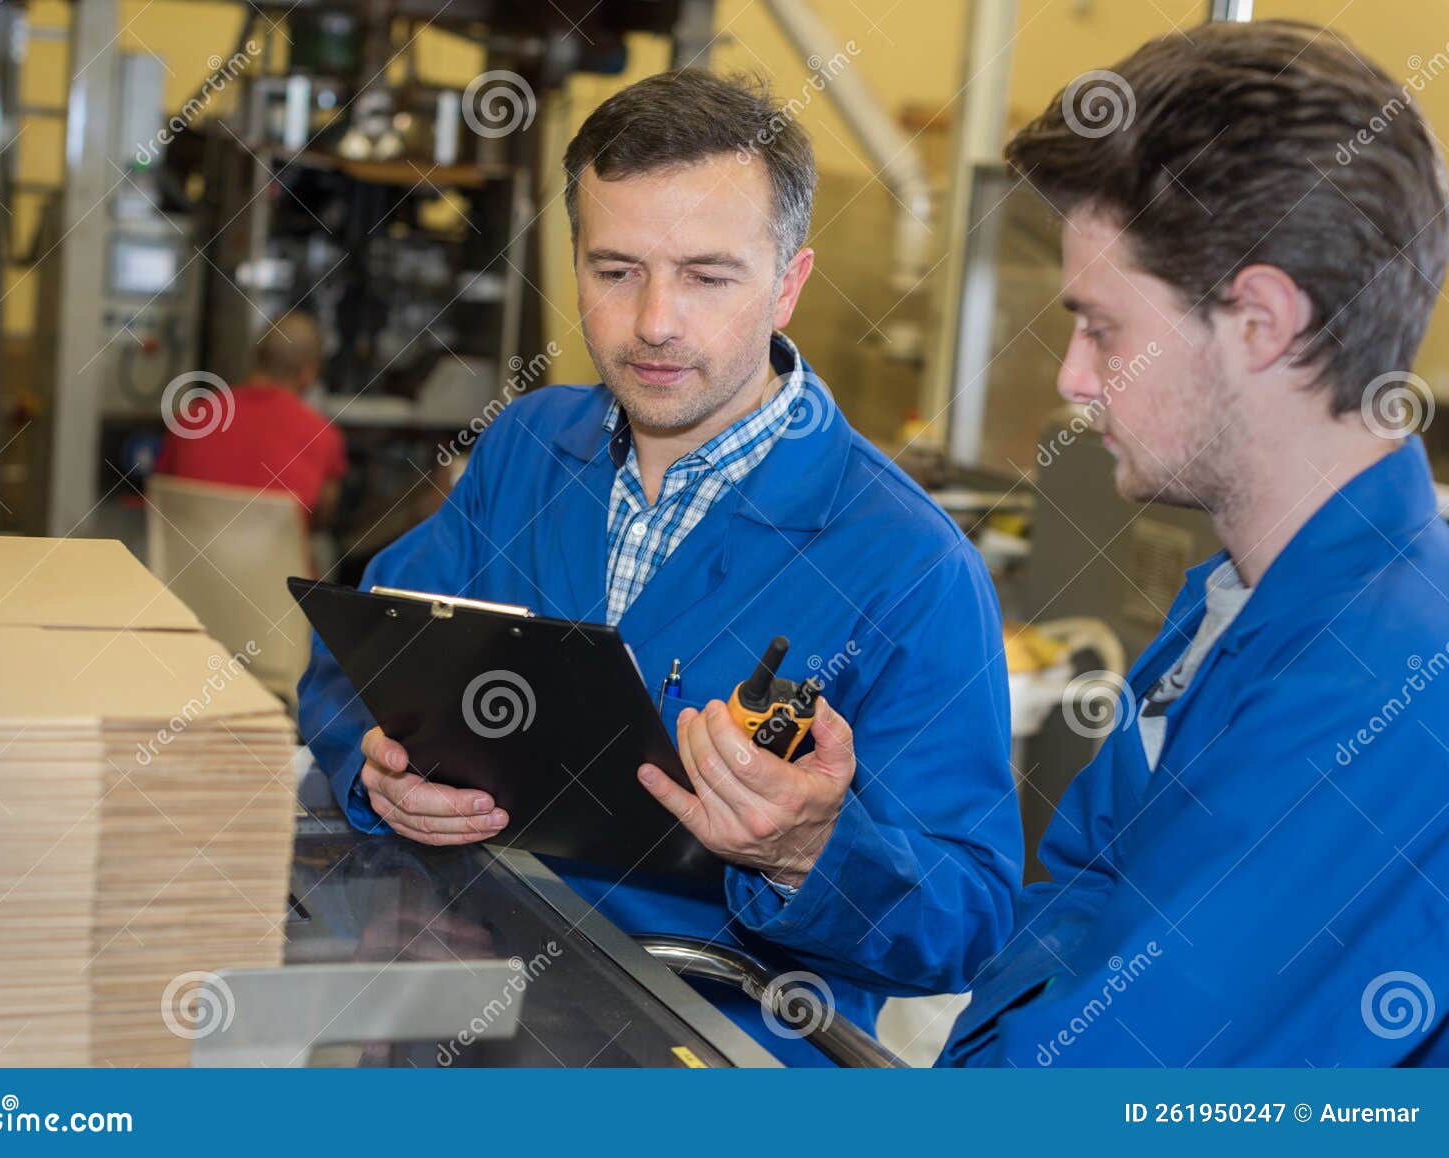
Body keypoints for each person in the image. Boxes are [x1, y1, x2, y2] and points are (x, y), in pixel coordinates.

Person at [297, 70, 1023, 1064]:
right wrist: (373, 771)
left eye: (708, 275)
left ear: (789, 281)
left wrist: (812, 853)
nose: (654, 322)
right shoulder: (524, 449)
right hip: (466, 1005)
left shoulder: (909, 567)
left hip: (707, 1056)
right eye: (614, 269)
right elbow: (356, 658)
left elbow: (971, 919)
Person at [931, 20, 1449, 1065]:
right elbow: (1065, 901)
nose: (1075, 377)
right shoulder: (1237, 609)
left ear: (1259, 319)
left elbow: (1106, 1079)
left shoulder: (1387, 677)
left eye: (1104, 327)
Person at [154, 310, 346, 528]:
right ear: (309, 372)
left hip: (189, 560)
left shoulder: (193, 418)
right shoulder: (323, 436)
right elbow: (320, 520)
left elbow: (162, 497)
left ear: (257, 358)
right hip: (276, 562)